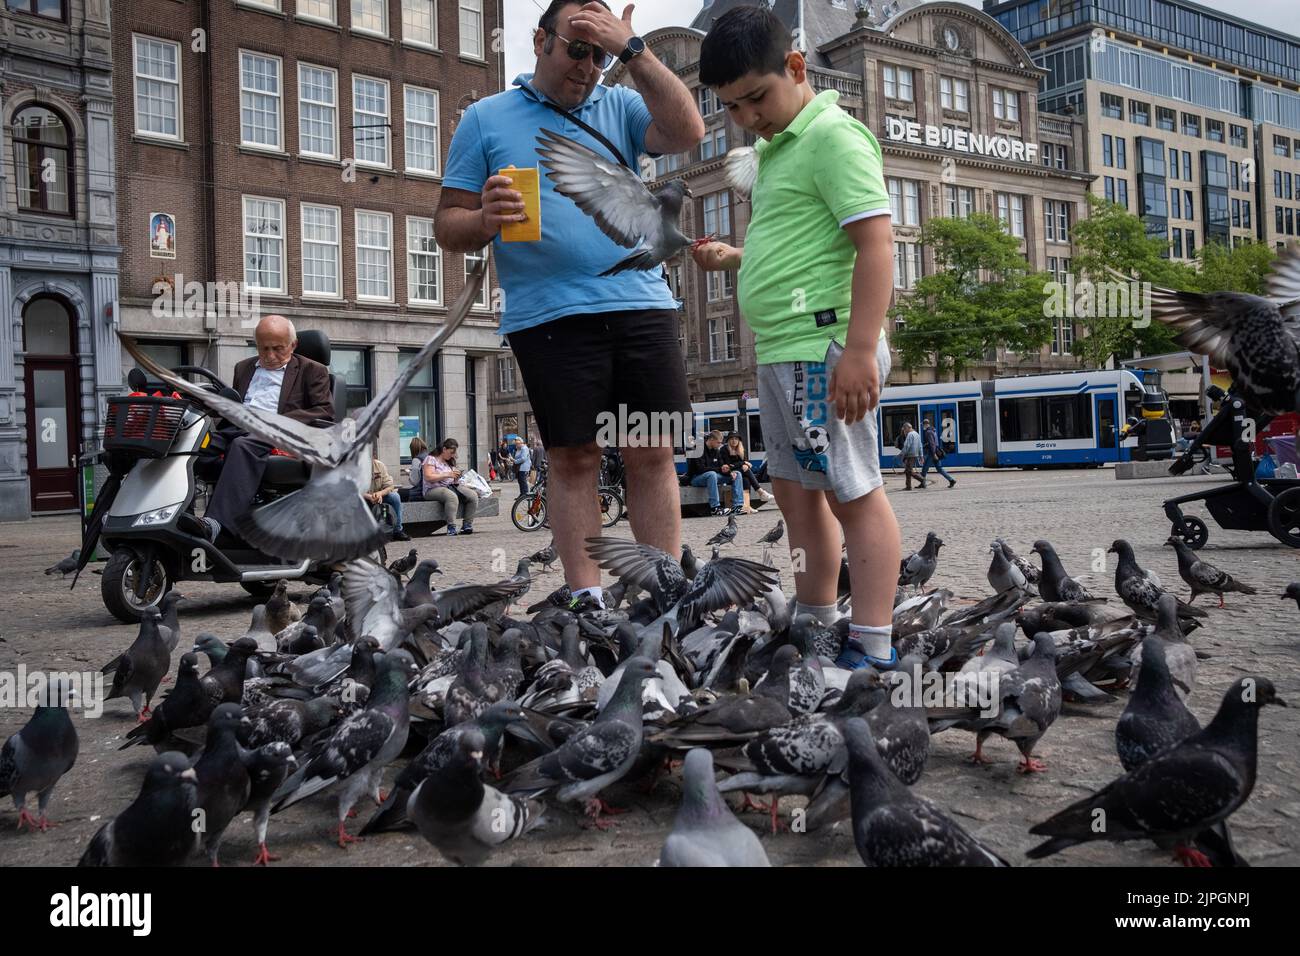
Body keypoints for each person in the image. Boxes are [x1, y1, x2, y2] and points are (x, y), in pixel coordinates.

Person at [436, 0, 704, 610]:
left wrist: (633, 50)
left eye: (599, 53)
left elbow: (688, 131)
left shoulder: (622, 104)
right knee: (574, 455)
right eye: (577, 48)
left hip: (640, 300)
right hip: (549, 313)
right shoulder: (484, 119)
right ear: (540, 40)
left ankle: (660, 589)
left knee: (651, 448)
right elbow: (446, 226)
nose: (587, 65)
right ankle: (587, 600)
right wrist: (482, 218)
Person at [692, 5, 900, 669]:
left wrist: (862, 350)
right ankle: (816, 624)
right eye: (732, 107)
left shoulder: (833, 137)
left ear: (796, 67)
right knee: (793, 493)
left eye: (757, 97)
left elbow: (876, 245)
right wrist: (734, 258)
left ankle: (872, 644)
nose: (748, 117)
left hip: (825, 348)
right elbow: (797, 246)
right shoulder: (777, 148)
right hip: (784, 352)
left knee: (853, 492)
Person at [201, 314, 333, 542]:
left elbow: (324, 411)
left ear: (293, 345)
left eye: (277, 349)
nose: (270, 356)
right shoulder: (243, 368)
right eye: (263, 349)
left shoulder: (313, 370)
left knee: (243, 446)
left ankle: (217, 525)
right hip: (238, 428)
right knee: (194, 448)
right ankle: (173, 520)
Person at [422, 438, 479, 535]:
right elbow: (428, 477)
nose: (452, 455)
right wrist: (447, 474)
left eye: (454, 453)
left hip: (450, 486)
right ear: (444, 449)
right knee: (451, 496)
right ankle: (451, 527)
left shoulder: (448, 461)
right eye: (451, 452)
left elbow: (452, 479)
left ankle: (467, 525)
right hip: (432, 489)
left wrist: (456, 477)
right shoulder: (431, 459)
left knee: (473, 495)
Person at [686, 430, 745, 516]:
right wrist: (719, 469)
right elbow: (700, 469)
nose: (720, 445)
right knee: (712, 474)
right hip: (696, 478)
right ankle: (715, 508)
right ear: (711, 439)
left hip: (712, 476)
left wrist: (728, 472)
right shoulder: (698, 449)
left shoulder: (716, 450)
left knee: (737, 474)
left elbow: (721, 466)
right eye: (718, 442)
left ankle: (737, 506)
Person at [723, 432, 775, 507]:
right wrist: (743, 463)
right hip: (729, 474)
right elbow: (728, 466)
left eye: (736, 439)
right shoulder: (724, 449)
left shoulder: (741, 450)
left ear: (739, 440)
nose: (734, 441)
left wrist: (744, 464)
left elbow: (744, 463)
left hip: (740, 474)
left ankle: (747, 506)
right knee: (745, 469)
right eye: (731, 439)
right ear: (728, 440)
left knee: (746, 479)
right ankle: (761, 492)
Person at [368, 457, 410, 541]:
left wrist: (380, 494)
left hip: (378, 495)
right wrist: (369, 497)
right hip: (362, 497)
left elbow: (390, 486)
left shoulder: (379, 465)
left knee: (395, 497)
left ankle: (397, 530)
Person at [920, 417, 956, 489]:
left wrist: (933, 454)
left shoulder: (928, 432)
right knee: (939, 469)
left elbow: (932, 444)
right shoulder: (933, 431)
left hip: (932, 453)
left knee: (924, 469)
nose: (922, 426)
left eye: (923, 425)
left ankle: (922, 483)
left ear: (926, 424)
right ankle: (951, 480)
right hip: (935, 451)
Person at [402, 437, 429, 501]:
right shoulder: (430, 457)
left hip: (420, 493)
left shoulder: (417, 459)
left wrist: (409, 473)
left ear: (412, 449)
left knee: (397, 493)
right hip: (431, 490)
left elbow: (414, 482)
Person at [899, 423, 923, 490]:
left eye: (904, 429)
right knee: (907, 471)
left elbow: (907, 446)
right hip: (915, 455)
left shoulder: (910, 434)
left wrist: (902, 453)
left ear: (907, 428)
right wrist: (921, 455)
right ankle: (908, 486)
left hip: (910, 455)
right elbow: (920, 446)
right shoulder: (917, 434)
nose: (904, 431)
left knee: (909, 471)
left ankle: (922, 480)